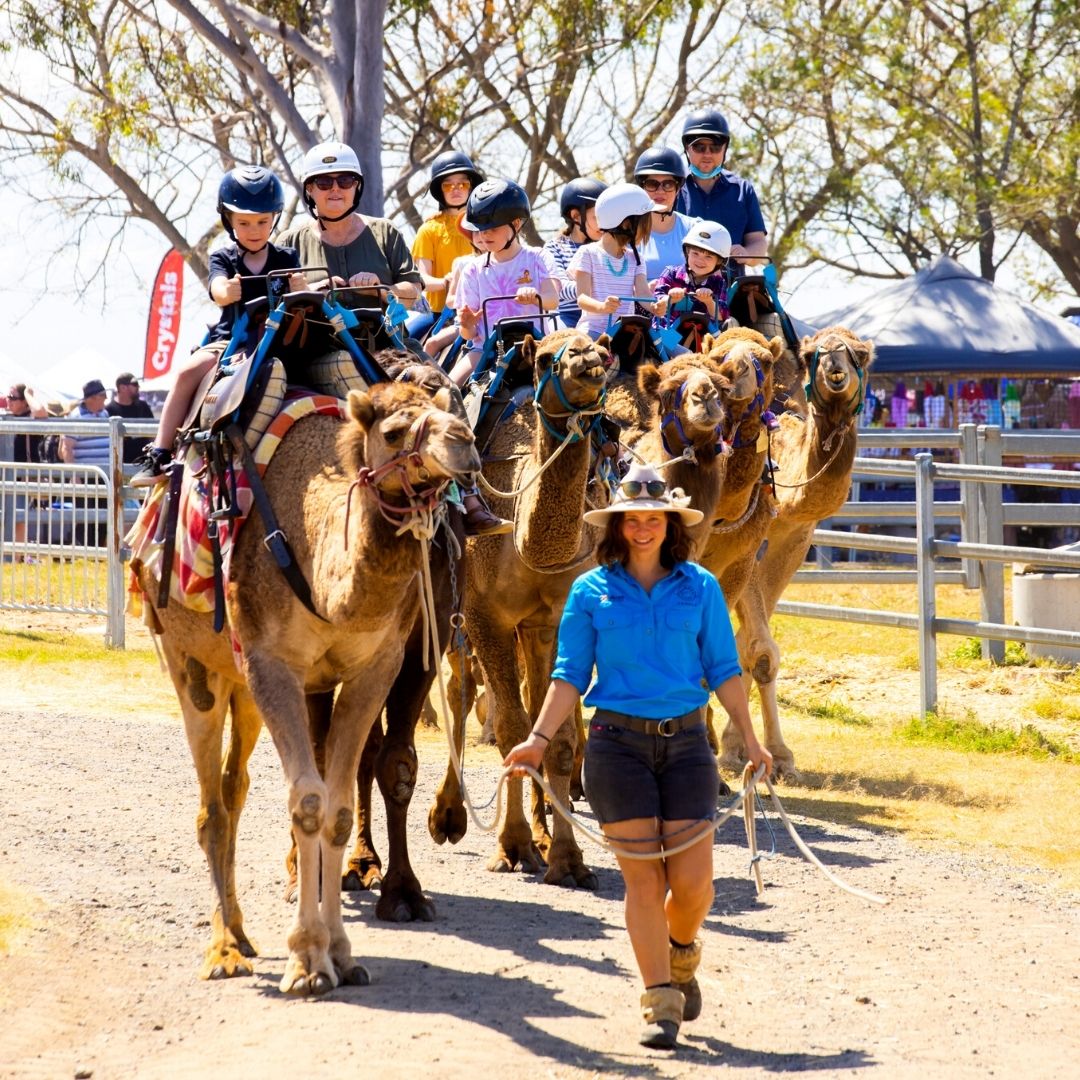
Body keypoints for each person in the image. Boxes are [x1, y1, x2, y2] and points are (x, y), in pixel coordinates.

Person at [503, 463, 772, 1050]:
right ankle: (659, 1003)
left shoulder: (700, 586)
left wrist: (751, 738)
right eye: (634, 519)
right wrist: (539, 740)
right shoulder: (589, 591)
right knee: (645, 883)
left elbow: (725, 669)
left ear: (669, 523)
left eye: (655, 518)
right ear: (619, 525)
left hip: (686, 747)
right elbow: (569, 674)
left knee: (695, 885)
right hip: (616, 748)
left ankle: (680, 956)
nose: (644, 527)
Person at [131, 164, 304, 486]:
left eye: (263, 221)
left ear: (275, 219)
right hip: (231, 340)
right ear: (228, 220)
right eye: (244, 222)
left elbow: (300, 291)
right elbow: (217, 288)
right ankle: (160, 452)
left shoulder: (287, 257)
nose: (254, 229)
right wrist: (226, 291)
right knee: (185, 373)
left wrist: (301, 287)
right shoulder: (223, 258)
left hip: (277, 340)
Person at [276, 141, 421, 309]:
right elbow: (272, 306)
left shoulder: (386, 232)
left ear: (356, 186)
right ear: (309, 189)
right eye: (324, 182)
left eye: (345, 180)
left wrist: (380, 290)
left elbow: (416, 295)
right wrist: (310, 292)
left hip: (383, 335)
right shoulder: (289, 243)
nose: (335, 189)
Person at [448, 178, 558, 387]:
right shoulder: (472, 270)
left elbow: (553, 300)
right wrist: (467, 325)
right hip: (486, 351)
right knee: (449, 390)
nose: (484, 234)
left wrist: (536, 297)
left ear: (515, 224)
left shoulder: (539, 257)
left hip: (538, 347)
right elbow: (468, 334)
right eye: (480, 229)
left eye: (492, 227)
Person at [568, 182, 667, 340]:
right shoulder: (587, 253)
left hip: (627, 330)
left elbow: (642, 292)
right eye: (644, 224)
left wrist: (654, 306)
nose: (649, 230)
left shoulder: (636, 258)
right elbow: (582, 298)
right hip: (594, 331)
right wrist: (602, 307)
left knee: (677, 348)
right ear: (627, 224)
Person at [407, 150, 485, 340]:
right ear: (439, 191)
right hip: (440, 314)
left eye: (462, 184)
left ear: (471, 186)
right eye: (448, 185)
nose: (456, 189)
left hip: (484, 311)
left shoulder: (486, 225)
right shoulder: (428, 230)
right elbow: (421, 279)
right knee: (405, 342)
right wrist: (445, 282)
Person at [675, 110, 768, 264]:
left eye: (715, 147)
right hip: (681, 284)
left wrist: (747, 253)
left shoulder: (743, 190)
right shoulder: (671, 188)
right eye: (699, 147)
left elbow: (758, 242)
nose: (707, 154)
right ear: (686, 148)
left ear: (725, 148)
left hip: (731, 284)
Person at [542, 177, 607, 329]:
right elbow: (559, 287)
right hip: (568, 318)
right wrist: (591, 286)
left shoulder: (607, 247)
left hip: (601, 316)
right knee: (556, 335)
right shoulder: (555, 247)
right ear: (576, 216)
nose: (604, 224)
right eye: (598, 217)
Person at [632, 147, 697, 285]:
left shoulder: (695, 229)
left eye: (668, 184)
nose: (660, 191)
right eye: (652, 184)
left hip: (687, 305)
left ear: (678, 188)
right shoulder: (626, 231)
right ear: (642, 188)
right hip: (637, 305)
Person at [653, 220, 732, 326]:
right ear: (687, 252)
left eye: (708, 256)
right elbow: (656, 303)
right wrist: (670, 298)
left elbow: (723, 315)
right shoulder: (670, 273)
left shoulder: (718, 282)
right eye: (695, 253)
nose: (700, 260)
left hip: (704, 337)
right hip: (666, 335)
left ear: (719, 261)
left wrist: (709, 302)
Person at [105, 373, 154, 465]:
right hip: (119, 465)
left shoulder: (143, 406)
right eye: (134, 384)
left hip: (144, 463)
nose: (138, 387)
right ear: (122, 387)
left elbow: (152, 434)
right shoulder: (109, 410)